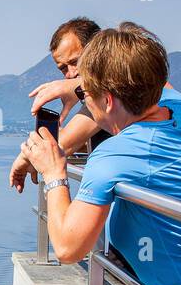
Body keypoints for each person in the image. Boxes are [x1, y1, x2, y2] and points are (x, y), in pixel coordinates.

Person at [19, 24, 181, 285]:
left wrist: (54, 173)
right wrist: (75, 87)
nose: (81, 97)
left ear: (108, 101)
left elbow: (68, 248)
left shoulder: (113, 157)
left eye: (84, 93)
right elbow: (161, 83)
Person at [10, 17, 108, 193]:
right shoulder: (99, 96)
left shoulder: (110, 93)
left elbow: (62, 144)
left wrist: (26, 156)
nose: (71, 74)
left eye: (75, 62)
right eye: (63, 68)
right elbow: (76, 138)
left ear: (98, 49)